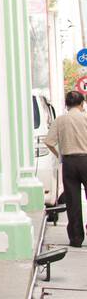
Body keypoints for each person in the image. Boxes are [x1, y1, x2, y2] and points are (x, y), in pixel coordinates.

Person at [45, 90, 87, 248]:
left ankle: (76, 238)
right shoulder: (85, 117)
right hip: (86, 159)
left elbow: (49, 141)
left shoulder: (60, 120)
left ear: (66, 104)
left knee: (73, 201)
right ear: (81, 103)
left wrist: (59, 155)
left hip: (69, 162)